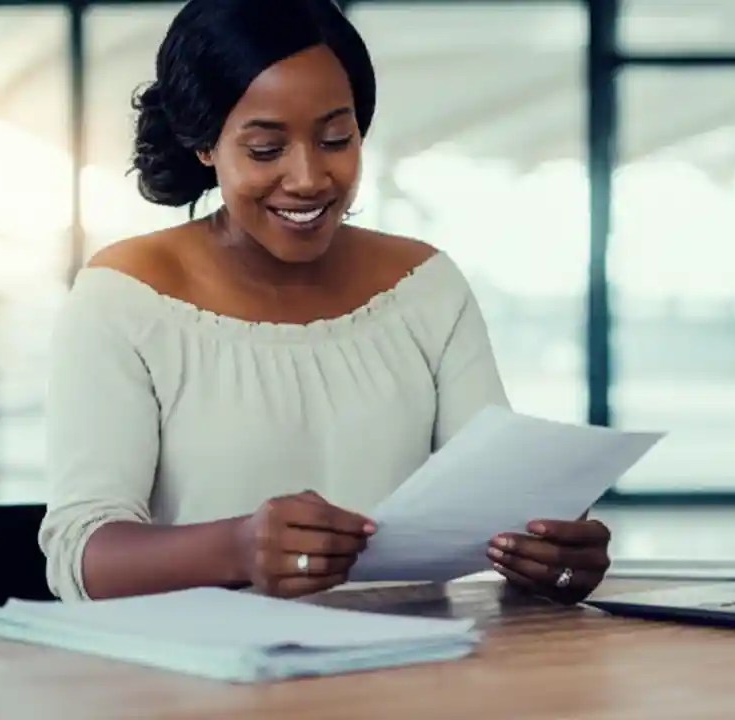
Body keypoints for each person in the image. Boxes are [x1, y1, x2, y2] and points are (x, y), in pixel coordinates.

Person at [38, 0, 612, 605]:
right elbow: (82, 557)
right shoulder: (125, 295)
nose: (309, 177)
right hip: (204, 684)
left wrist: (554, 556)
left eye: (336, 139)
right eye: (265, 150)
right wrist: (236, 547)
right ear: (206, 146)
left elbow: (501, 501)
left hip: (412, 674)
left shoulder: (425, 285)